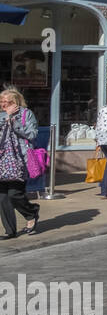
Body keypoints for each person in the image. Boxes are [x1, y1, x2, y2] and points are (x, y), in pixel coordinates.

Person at [0, 87, 40, 238]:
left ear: (15, 102)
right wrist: (6, 118)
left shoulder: (26, 114)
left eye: (6, 102)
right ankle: (10, 231)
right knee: (3, 197)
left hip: (20, 159)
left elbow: (32, 134)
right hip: (2, 160)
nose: (3, 105)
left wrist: (14, 123)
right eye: (1, 101)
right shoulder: (1, 115)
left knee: (15, 194)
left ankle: (31, 212)